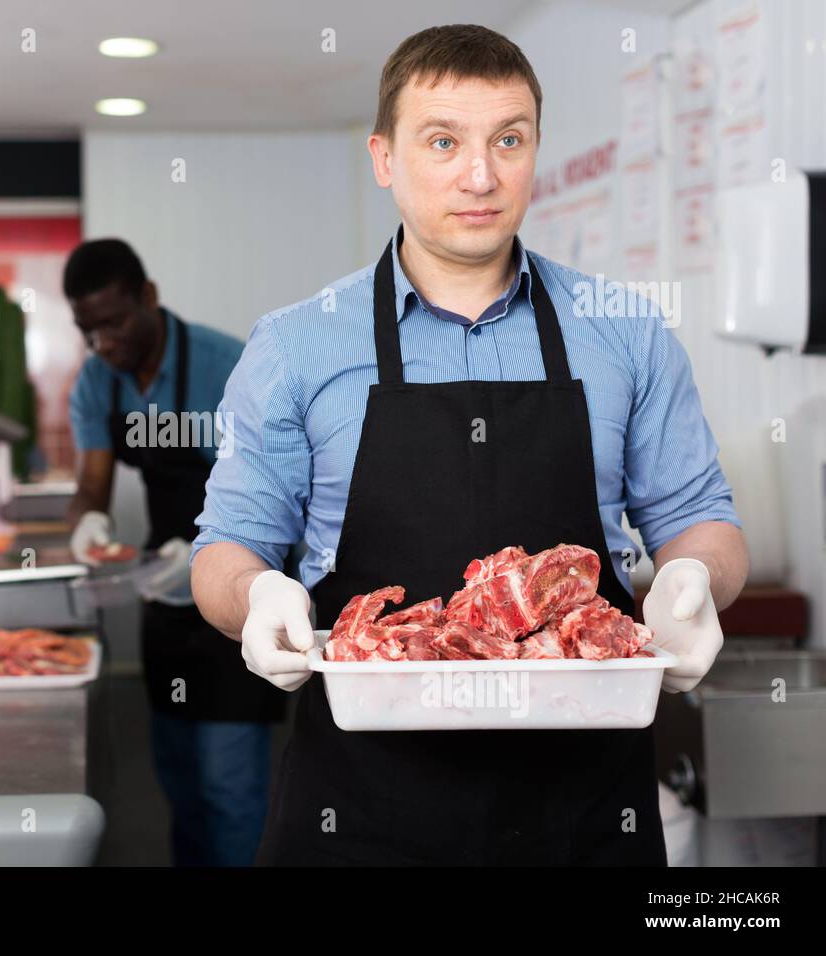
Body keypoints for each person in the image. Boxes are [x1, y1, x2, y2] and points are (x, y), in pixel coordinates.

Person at [190, 24, 749, 866]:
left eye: (509, 140)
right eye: (443, 140)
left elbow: (701, 517)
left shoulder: (625, 332)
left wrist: (694, 578)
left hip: (581, 809)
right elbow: (225, 547)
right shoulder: (296, 345)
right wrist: (256, 596)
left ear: (534, 150)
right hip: (362, 807)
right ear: (384, 157)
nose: (480, 175)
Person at [62, 238, 285, 866]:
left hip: (239, 589)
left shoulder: (224, 367)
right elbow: (90, 485)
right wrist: (89, 522)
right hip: (165, 595)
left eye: (113, 322)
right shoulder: (98, 381)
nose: (103, 343)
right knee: (178, 780)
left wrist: (212, 555)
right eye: (88, 330)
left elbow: (270, 494)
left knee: (229, 787)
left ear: (149, 298)